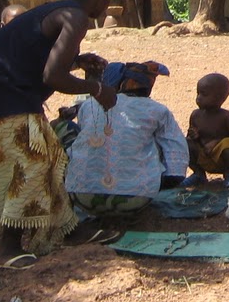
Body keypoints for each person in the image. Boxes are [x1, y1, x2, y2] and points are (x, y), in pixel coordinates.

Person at [0, 0, 119, 268]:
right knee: (31, 164)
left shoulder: (60, 10)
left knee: (51, 157)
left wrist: (77, 61)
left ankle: (64, 229)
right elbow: (51, 76)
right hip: (0, 91)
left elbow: (34, 55)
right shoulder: (76, 18)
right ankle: (7, 249)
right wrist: (98, 90)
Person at [64, 60, 188, 216]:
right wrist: (167, 180)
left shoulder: (89, 105)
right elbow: (177, 150)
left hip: (81, 197)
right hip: (135, 200)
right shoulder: (157, 110)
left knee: (72, 132)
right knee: (155, 140)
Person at [184, 73, 229, 188]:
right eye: (198, 93)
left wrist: (215, 142)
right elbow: (191, 138)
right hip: (202, 155)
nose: (198, 98)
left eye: (204, 94)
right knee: (185, 142)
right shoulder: (196, 115)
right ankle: (198, 173)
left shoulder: (225, 116)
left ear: (219, 97)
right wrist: (194, 136)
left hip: (219, 157)